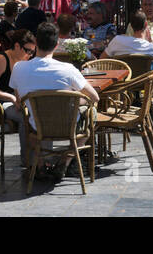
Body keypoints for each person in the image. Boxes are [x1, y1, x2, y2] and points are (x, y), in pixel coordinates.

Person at [9, 22, 100, 178]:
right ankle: (66, 160)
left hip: (37, 126)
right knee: (92, 112)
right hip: (67, 126)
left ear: (36, 42)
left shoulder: (19, 68)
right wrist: (76, 101)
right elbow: (94, 97)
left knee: (27, 116)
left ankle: (40, 165)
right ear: (57, 45)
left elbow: (19, 101)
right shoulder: (68, 69)